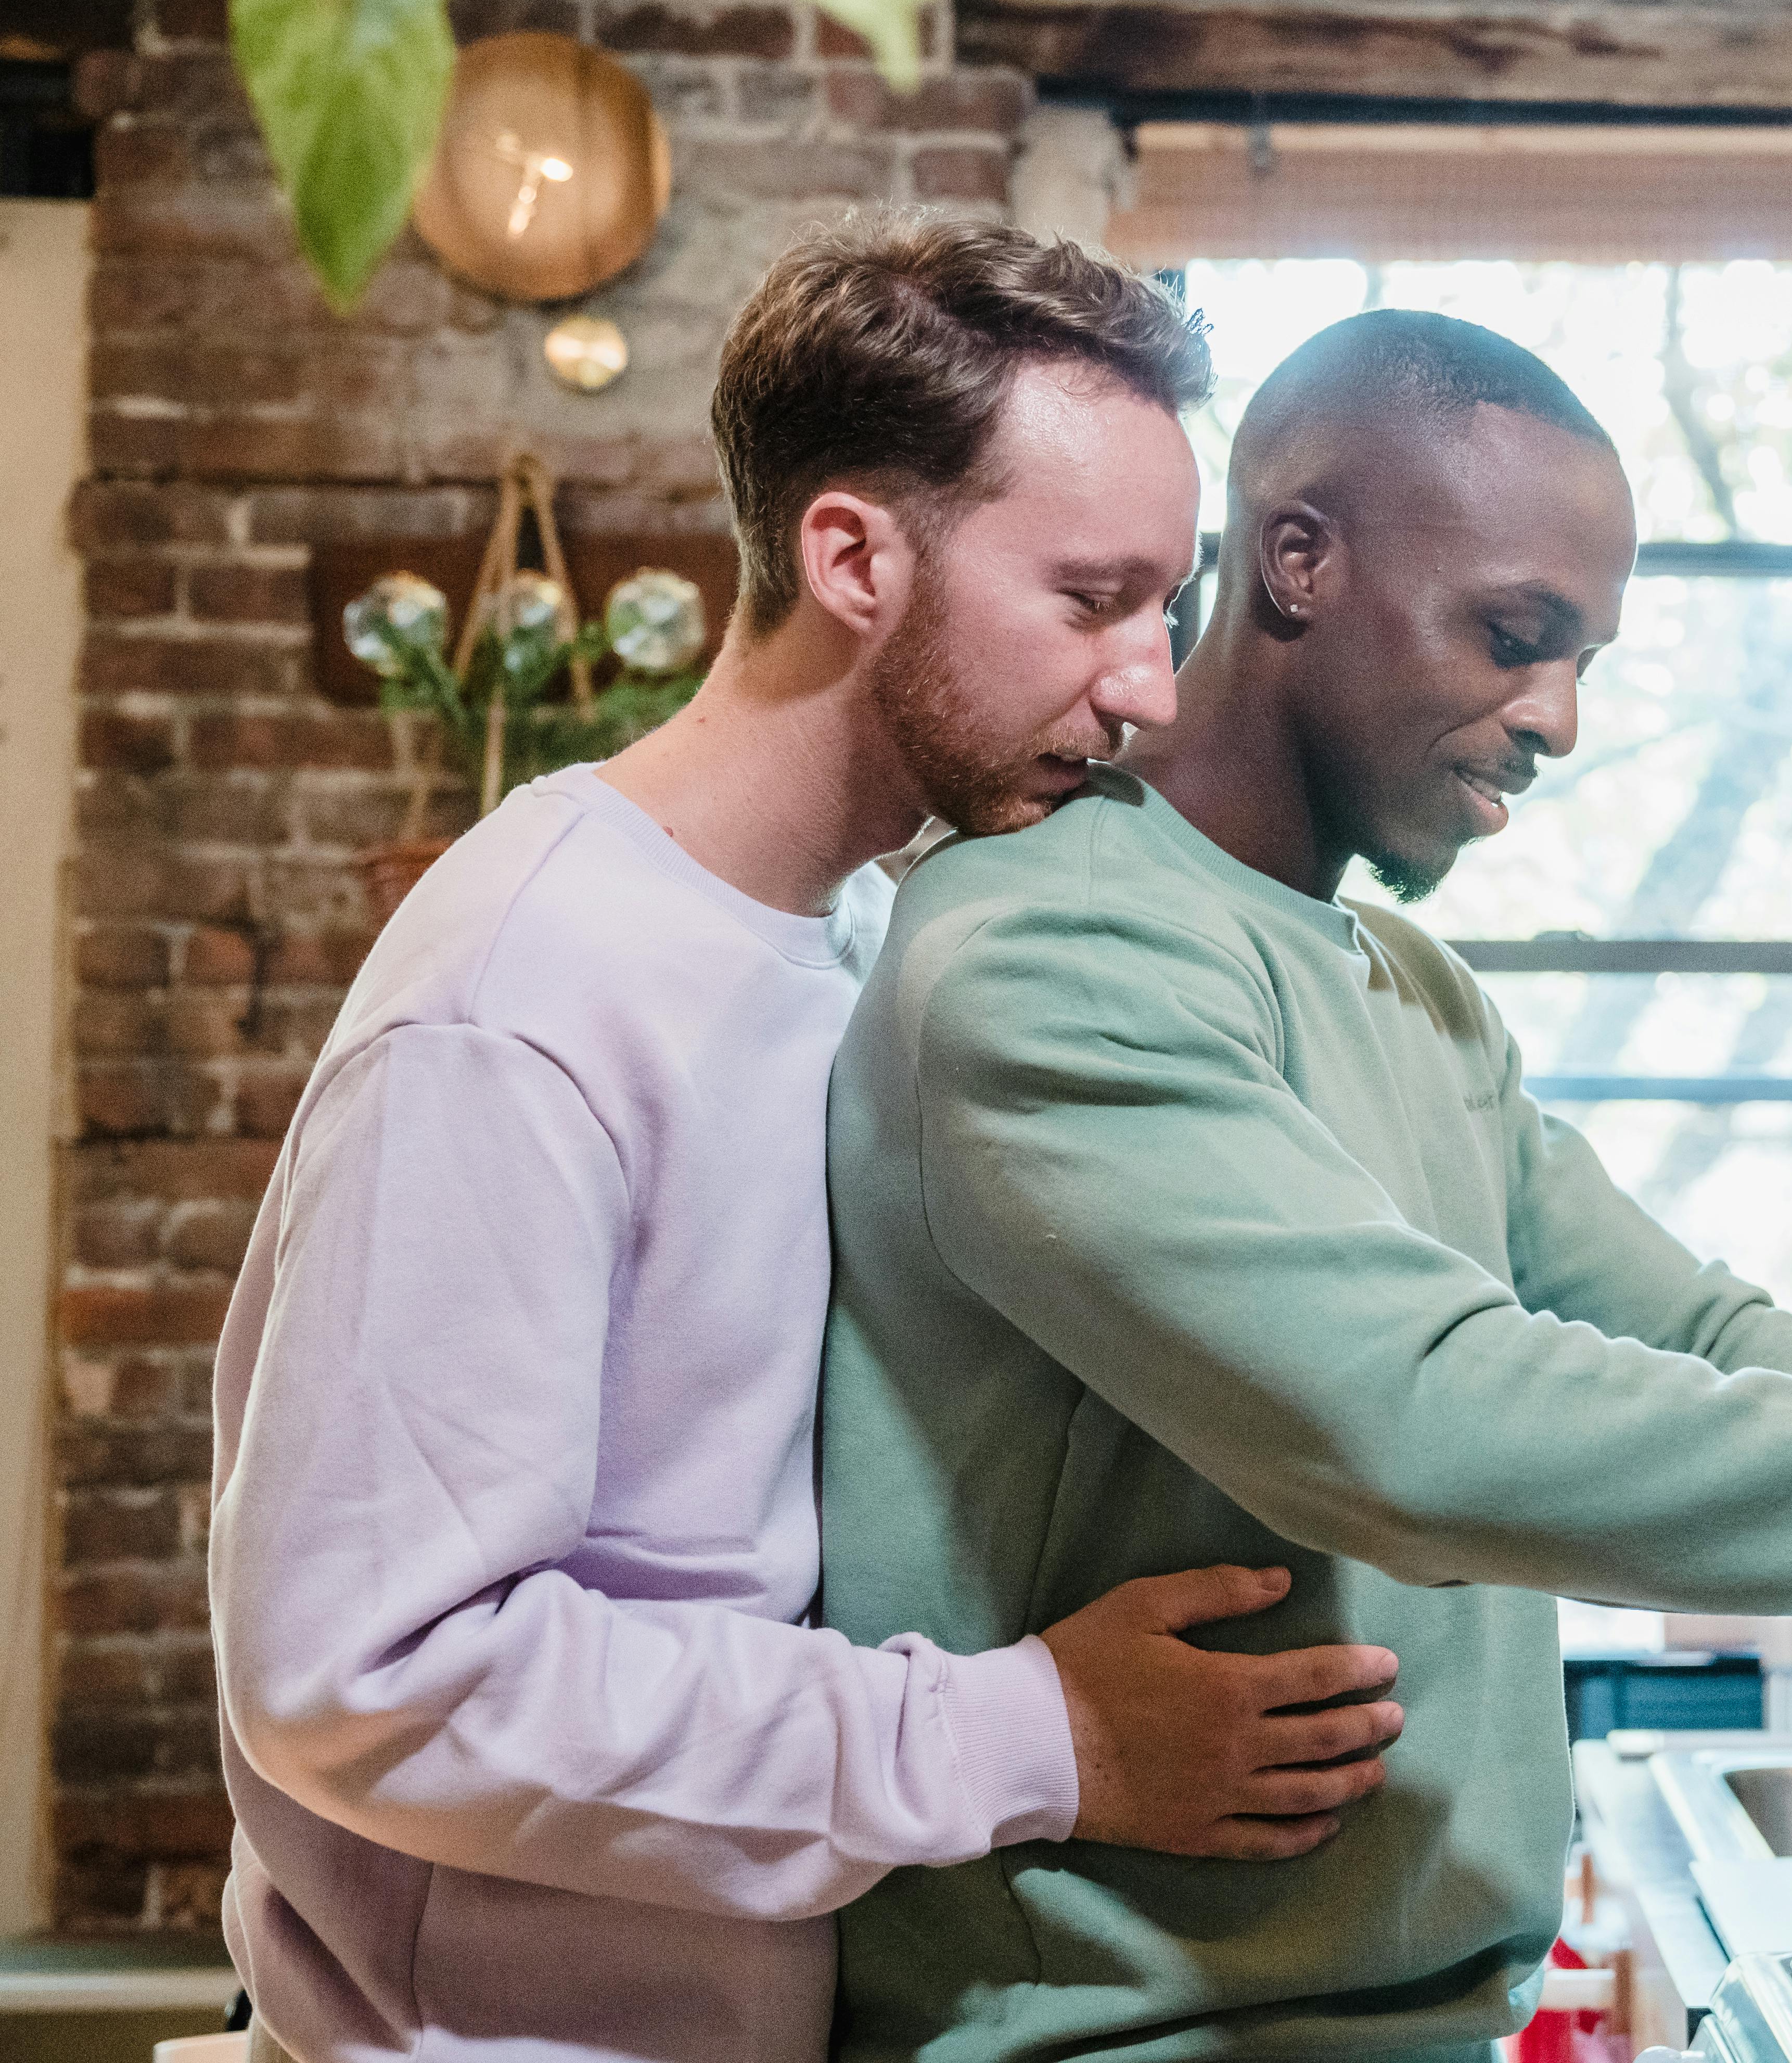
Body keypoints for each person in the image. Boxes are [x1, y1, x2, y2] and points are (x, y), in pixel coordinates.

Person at [816, 310, 1792, 2063]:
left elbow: (1694, 1329)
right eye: (1516, 638)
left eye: (1585, 656)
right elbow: (1425, 1420)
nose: (1562, 719)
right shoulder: (1046, 947)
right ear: (1297, 560)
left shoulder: (1412, 991)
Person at [207, 213, 1405, 2063]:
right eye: (1091, 601)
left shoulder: (861, 940)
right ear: (852, 554)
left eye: (1168, 608)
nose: (1152, 685)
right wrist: (1036, 1739)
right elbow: (370, 1683)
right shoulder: (519, 1004)